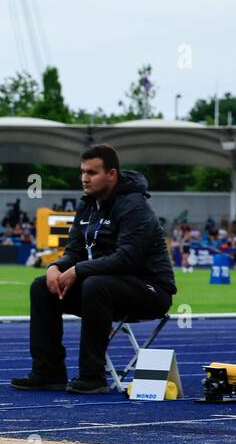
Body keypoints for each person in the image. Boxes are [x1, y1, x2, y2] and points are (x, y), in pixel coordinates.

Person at [11, 144, 176, 395]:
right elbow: (74, 251)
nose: (84, 179)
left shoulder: (134, 206)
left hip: (150, 290)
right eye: (83, 172)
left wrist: (78, 270)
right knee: (42, 287)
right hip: (103, 288)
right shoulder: (87, 206)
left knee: (94, 284)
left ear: (112, 174)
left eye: (92, 172)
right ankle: (48, 373)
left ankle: (93, 376)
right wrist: (56, 267)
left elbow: (127, 259)